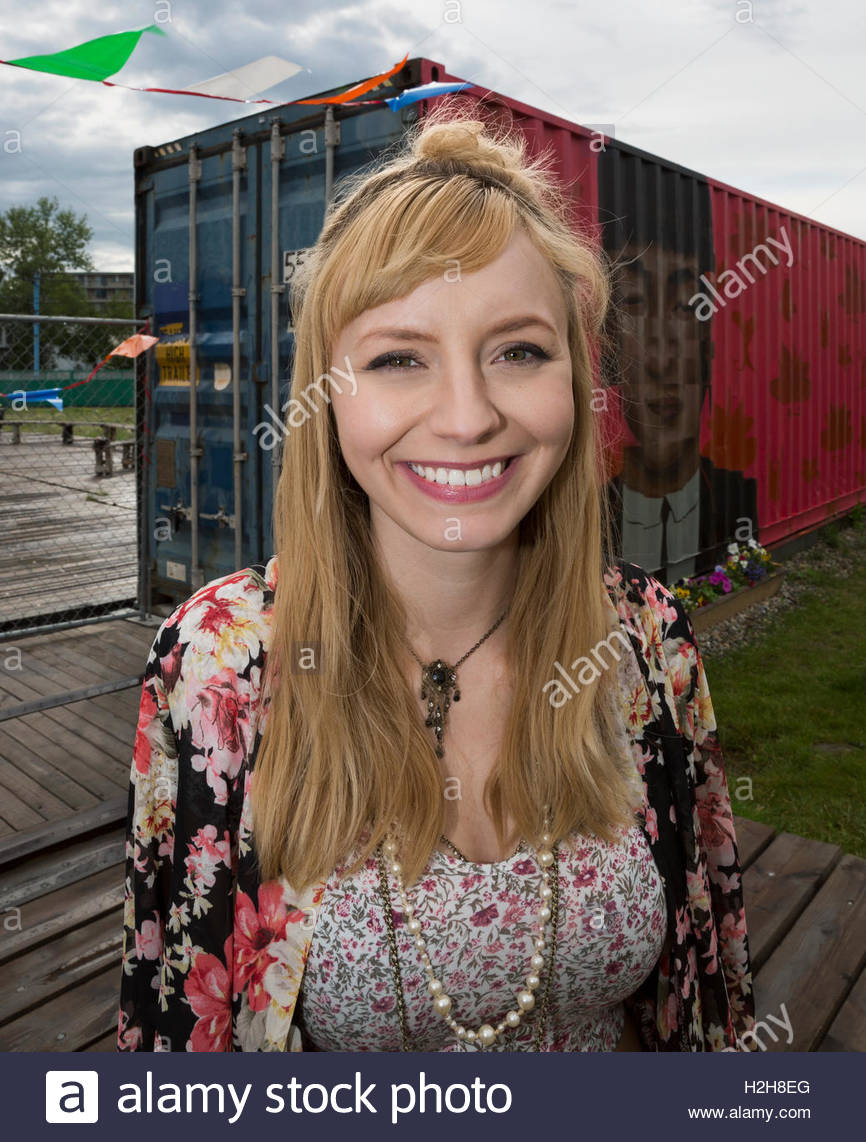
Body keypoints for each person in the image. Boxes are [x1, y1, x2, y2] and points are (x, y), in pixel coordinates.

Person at [117, 106, 757, 1053]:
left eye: (518, 351)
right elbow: (175, 1016)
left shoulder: (647, 640)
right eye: (399, 358)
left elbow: (709, 975)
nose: (466, 417)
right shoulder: (219, 662)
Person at [598, 153, 758, 586]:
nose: (662, 360)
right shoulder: (585, 518)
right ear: (607, 338)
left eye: (687, 305)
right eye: (633, 300)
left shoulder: (740, 504)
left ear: (709, 338)